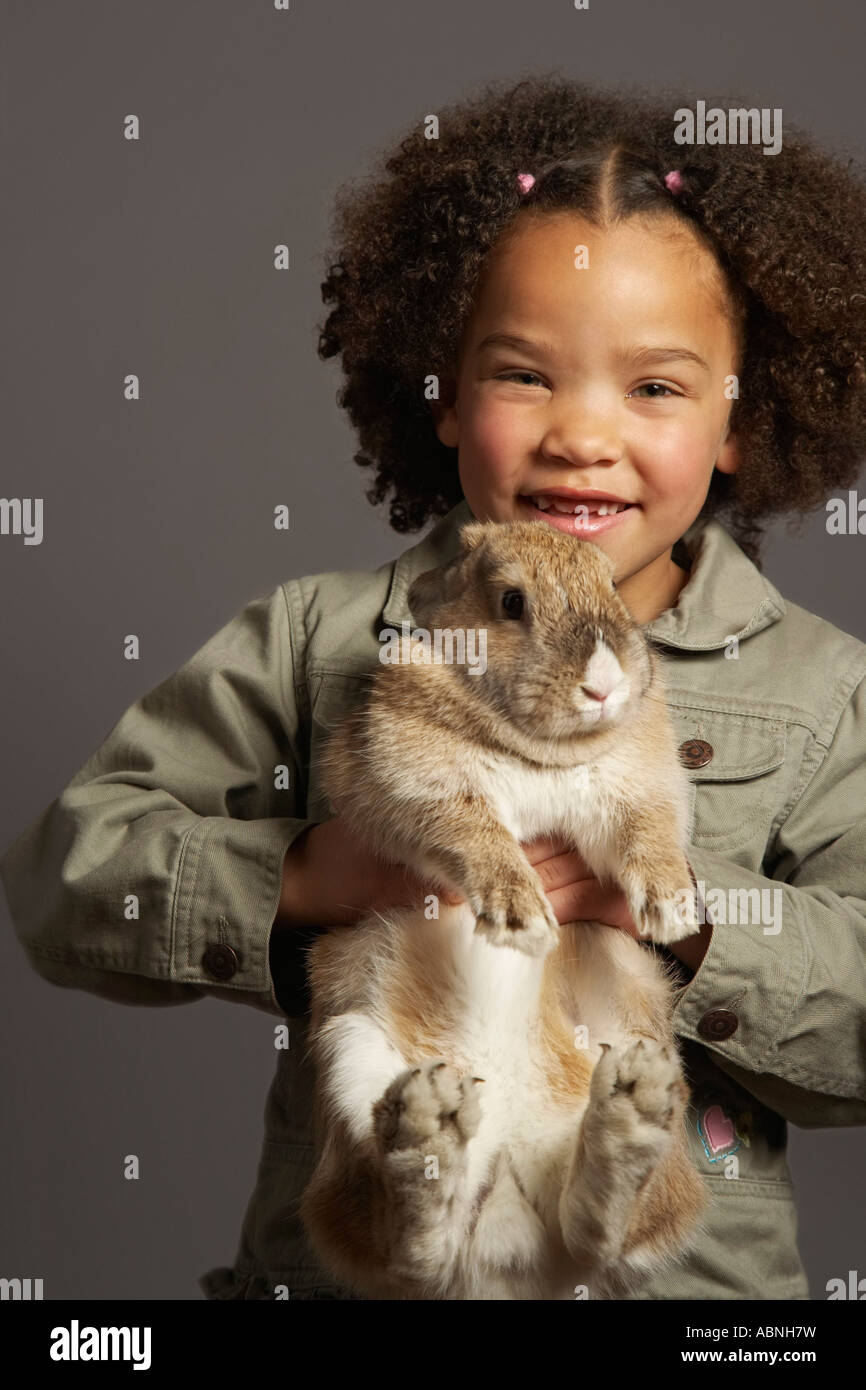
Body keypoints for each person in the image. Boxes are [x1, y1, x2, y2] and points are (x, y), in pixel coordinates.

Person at [3, 72, 866, 1301]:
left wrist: (680, 916)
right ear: (442, 396)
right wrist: (313, 875)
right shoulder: (318, 638)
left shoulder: (822, 689)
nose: (581, 433)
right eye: (523, 375)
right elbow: (61, 878)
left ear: (743, 414)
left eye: (655, 386)